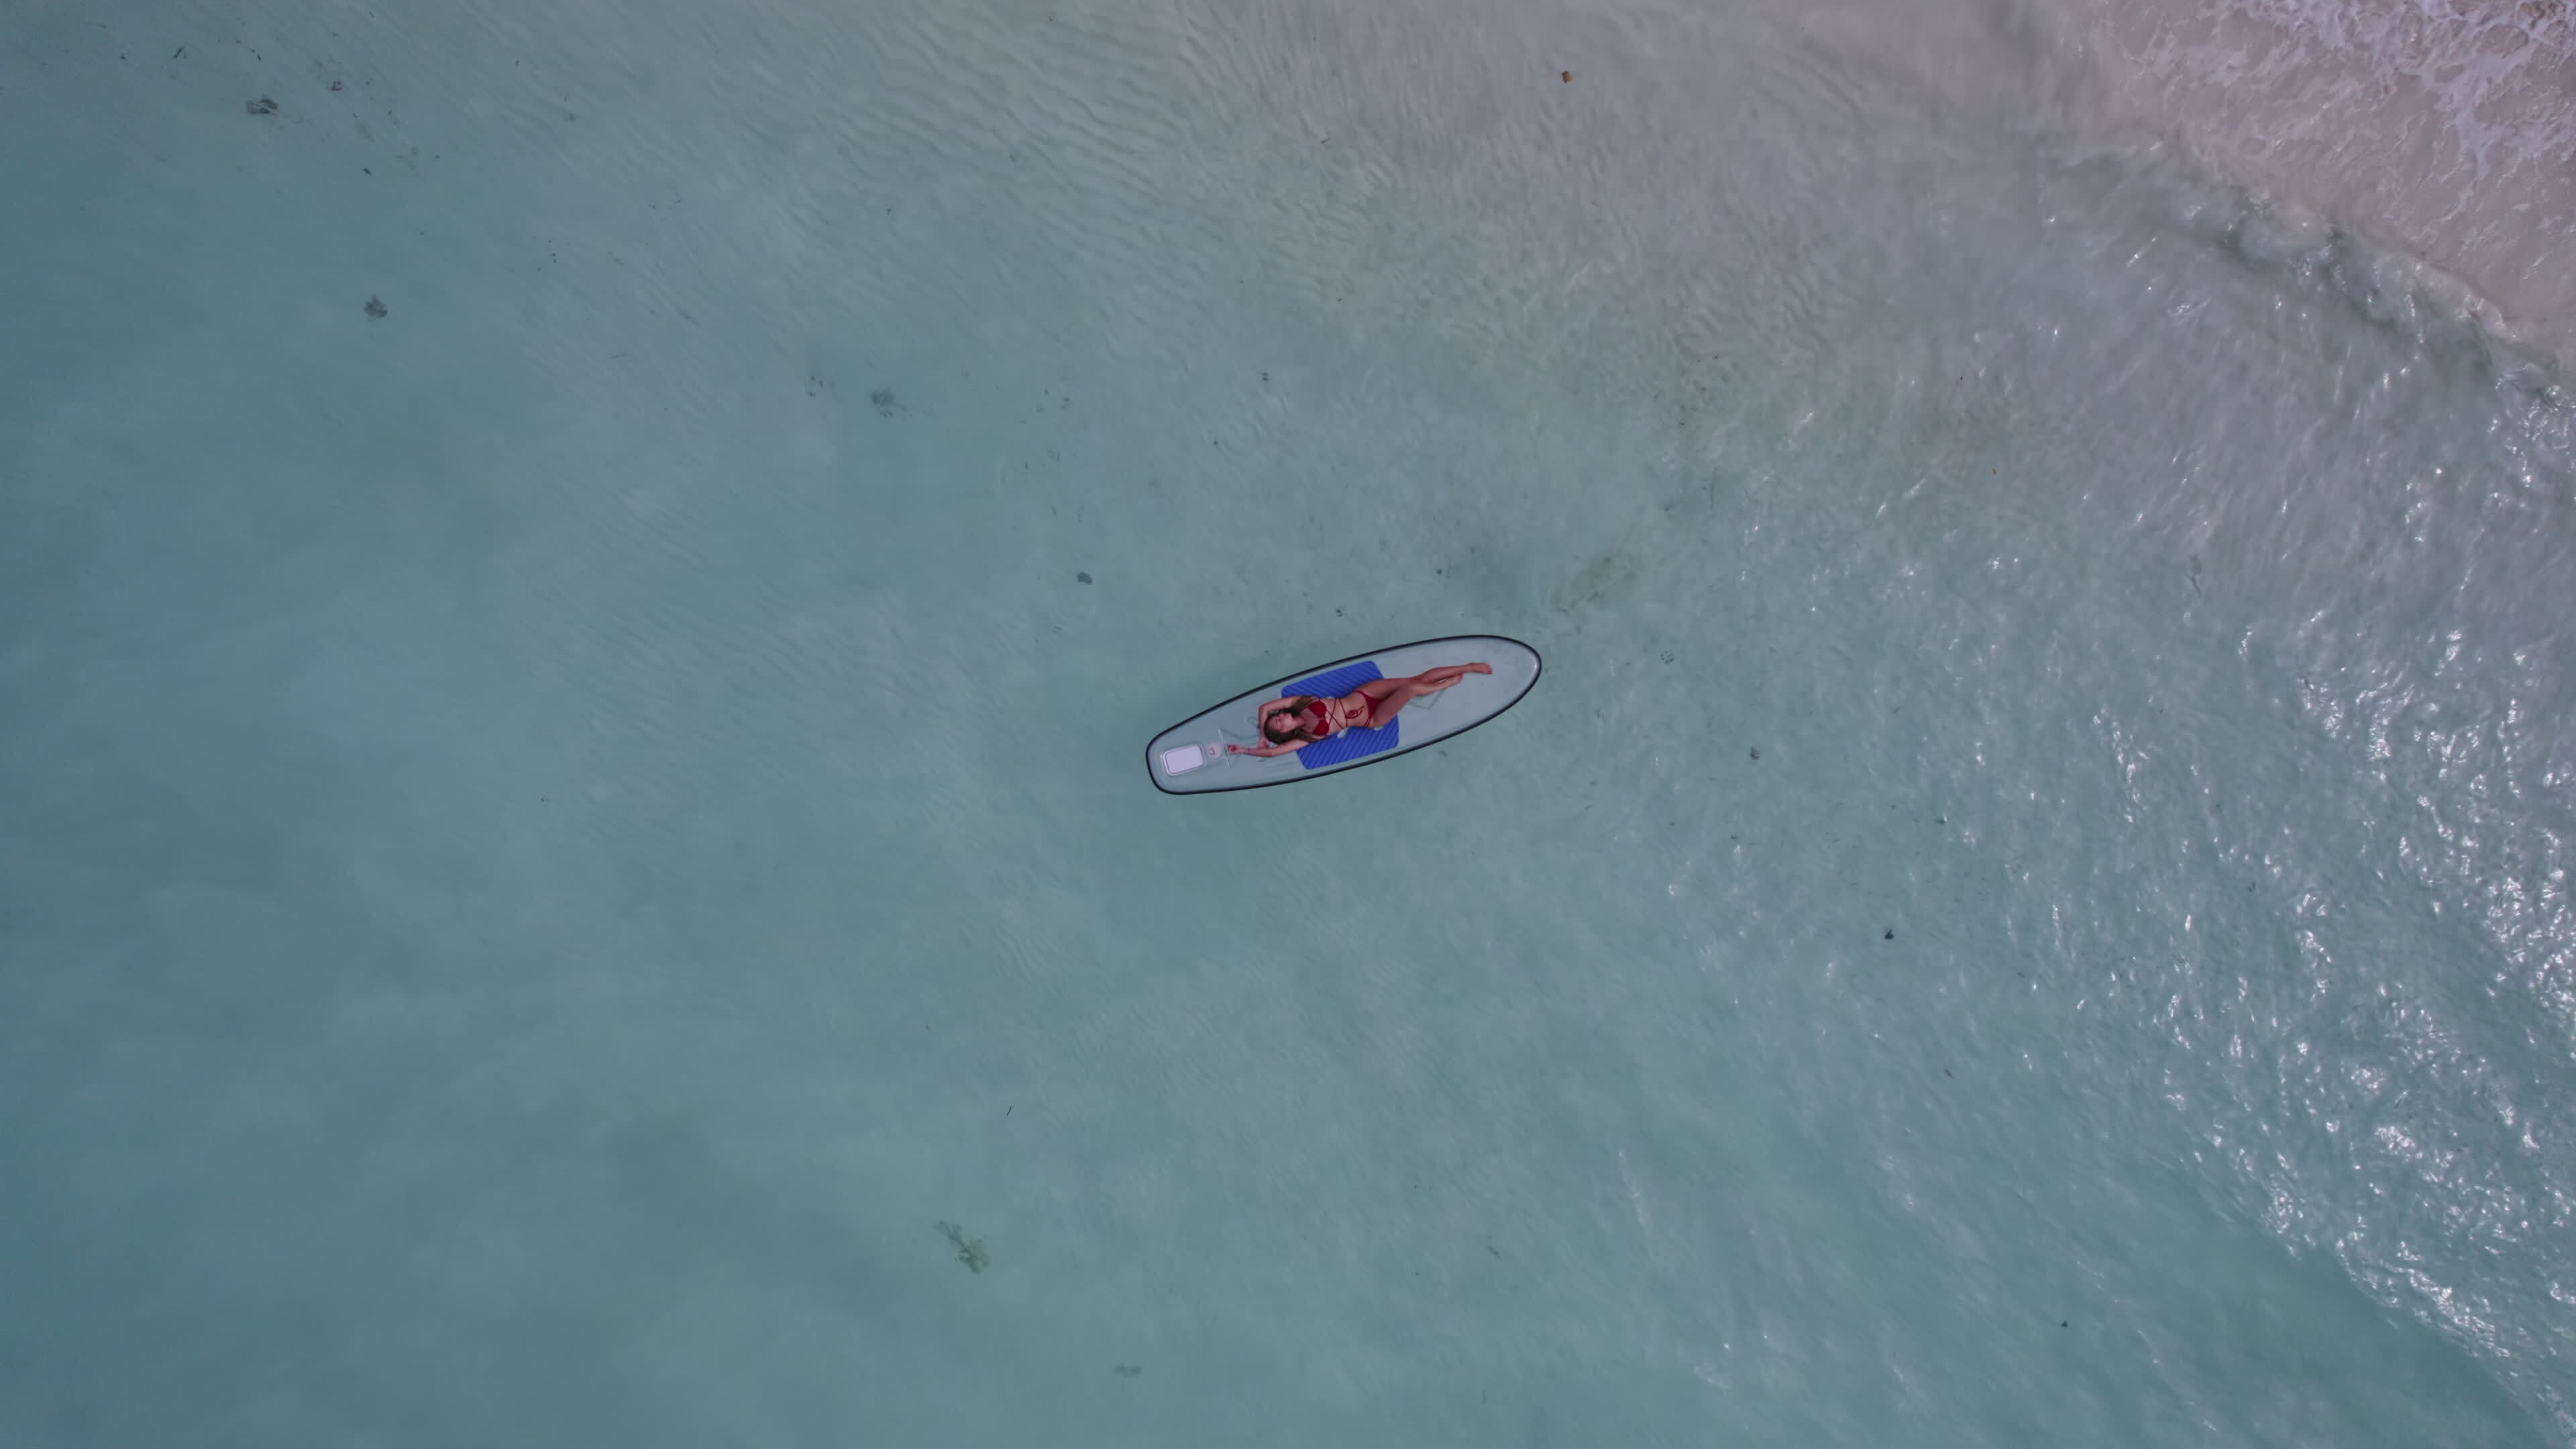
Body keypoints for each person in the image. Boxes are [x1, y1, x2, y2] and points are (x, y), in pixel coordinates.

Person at [1226, 663, 1492, 757]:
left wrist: (1263, 730)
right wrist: (1247, 750)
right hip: (1372, 717)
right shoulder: (1306, 737)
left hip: (1365, 694)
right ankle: (1448, 682)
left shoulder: (1300, 702)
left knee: (1414, 680)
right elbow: (1275, 753)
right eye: (1279, 726)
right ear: (1286, 733)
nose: (1281, 718)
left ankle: (1466, 667)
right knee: (1410, 691)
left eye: (1278, 718)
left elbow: (1265, 707)